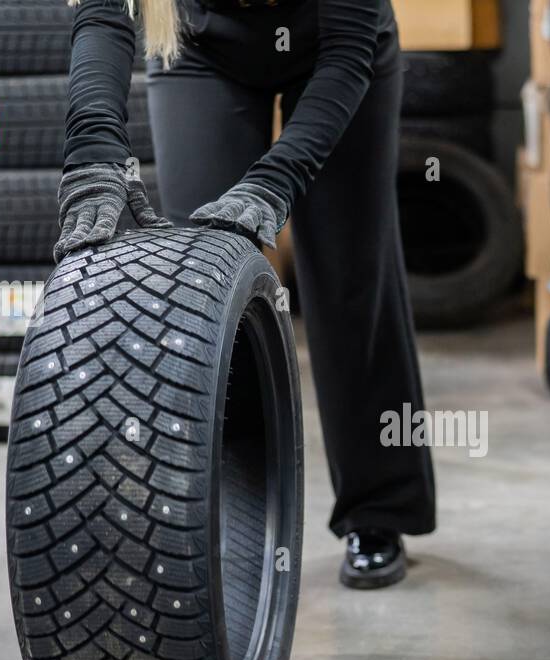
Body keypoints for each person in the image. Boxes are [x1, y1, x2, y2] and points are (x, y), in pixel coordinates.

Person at [55, 0, 435, 589]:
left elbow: (348, 52)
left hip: (333, 47)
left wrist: (274, 183)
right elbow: (103, 16)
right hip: (202, 45)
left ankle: (377, 509)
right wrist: (93, 153)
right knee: (199, 292)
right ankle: (221, 515)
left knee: (351, 277)